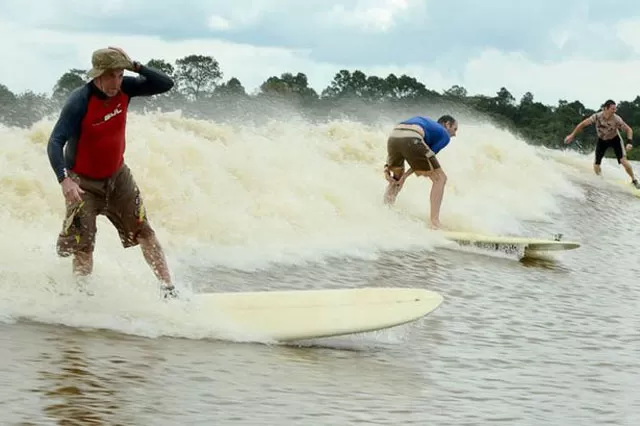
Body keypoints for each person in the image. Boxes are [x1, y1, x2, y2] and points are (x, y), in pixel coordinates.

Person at [46, 46, 177, 297]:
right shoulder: (80, 101)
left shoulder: (126, 87)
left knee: (144, 231)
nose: (116, 82)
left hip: (118, 177)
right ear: (97, 75)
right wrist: (64, 180)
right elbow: (54, 141)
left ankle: (168, 289)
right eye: (110, 76)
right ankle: (81, 299)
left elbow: (165, 84)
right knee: (83, 245)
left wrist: (135, 66)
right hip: (82, 183)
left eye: (120, 74)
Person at [383, 114, 458, 229]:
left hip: (394, 135)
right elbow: (425, 158)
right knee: (440, 179)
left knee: (396, 179)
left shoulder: (429, 126)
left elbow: (419, 158)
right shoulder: (444, 134)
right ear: (447, 124)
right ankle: (435, 223)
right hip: (413, 136)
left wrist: (388, 168)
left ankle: (385, 212)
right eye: (454, 129)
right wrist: (407, 176)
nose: (454, 134)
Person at [564, 99, 639, 188]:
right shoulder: (596, 116)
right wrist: (572, 135)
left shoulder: (617, 119)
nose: (614, 111)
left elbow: (628, 129)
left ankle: (634, 180)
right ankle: (600, 180)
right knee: (596, 164)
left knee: (623, 161)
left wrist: (629, 142)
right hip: (602, 140)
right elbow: (582, 124)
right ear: (605, 109)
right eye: (612, 109)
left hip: (615, 139)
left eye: (615, 109)